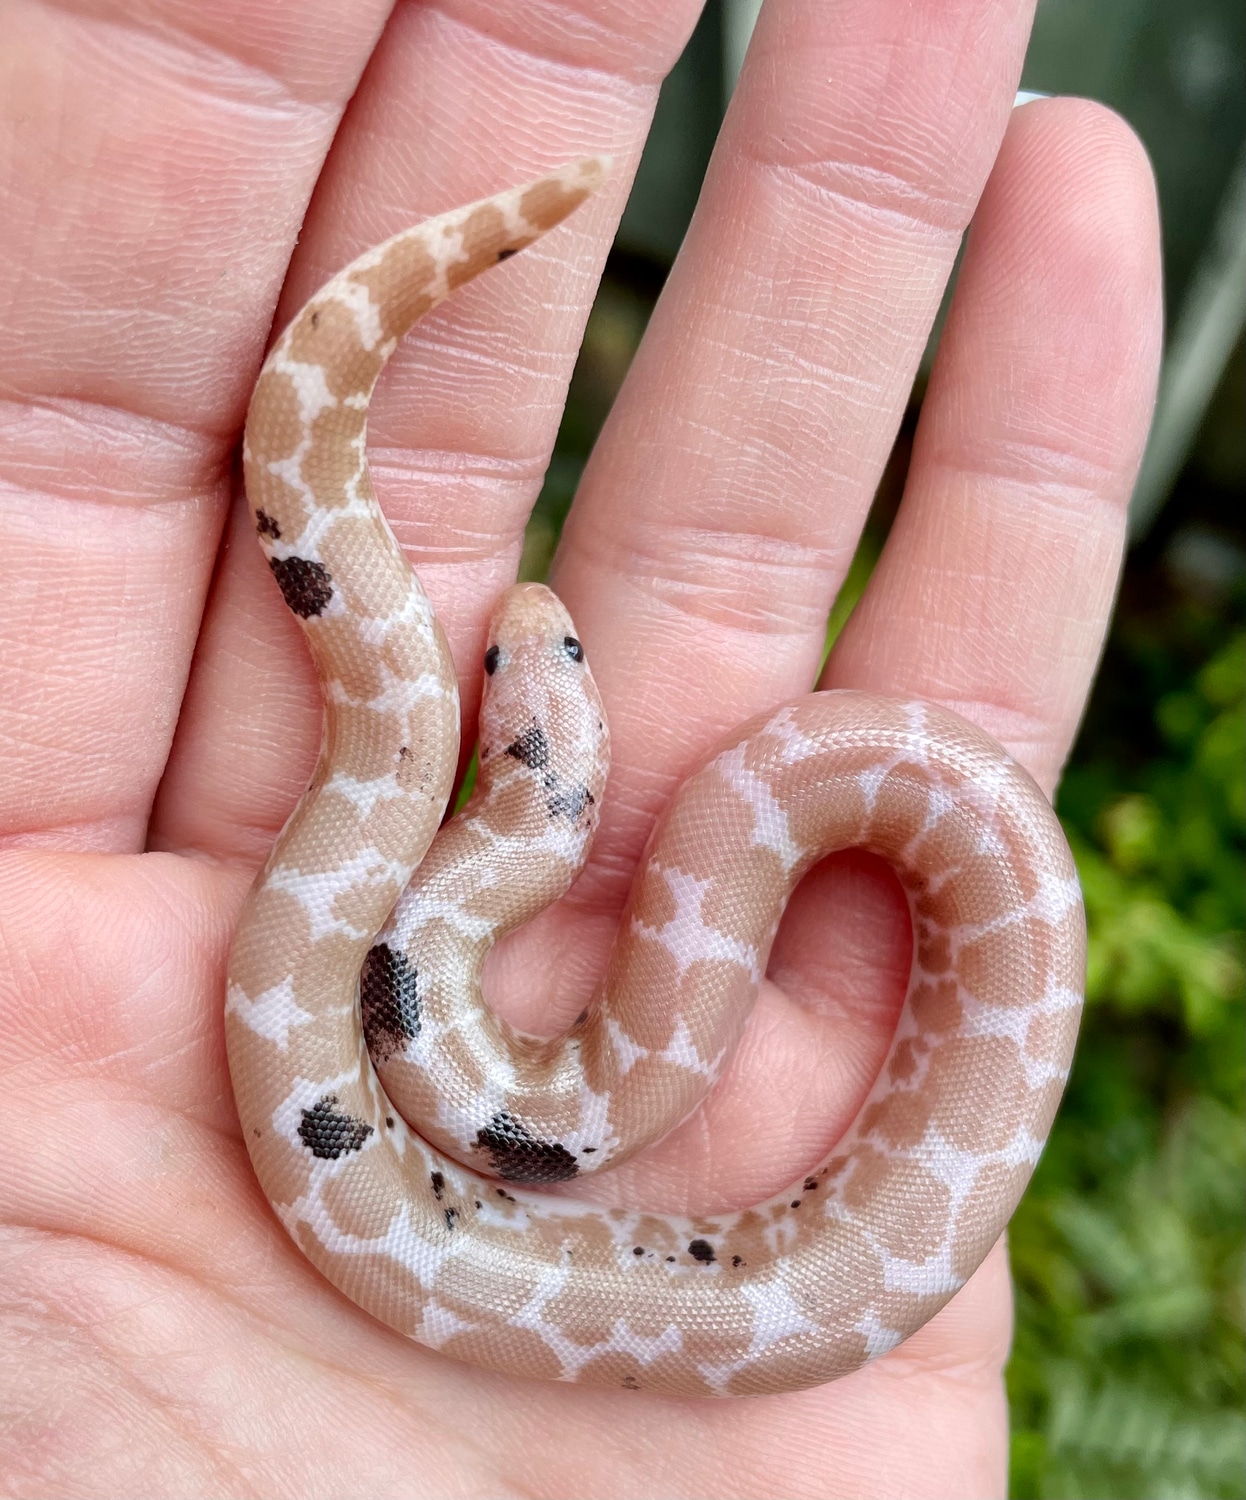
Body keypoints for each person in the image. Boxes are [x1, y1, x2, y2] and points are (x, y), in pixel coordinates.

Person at [0, 0, 1161, 1493]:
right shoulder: (466, 937)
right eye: (518, 667)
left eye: (512, 671)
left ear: (516, 775)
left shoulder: (479, 919)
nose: (519, 633)